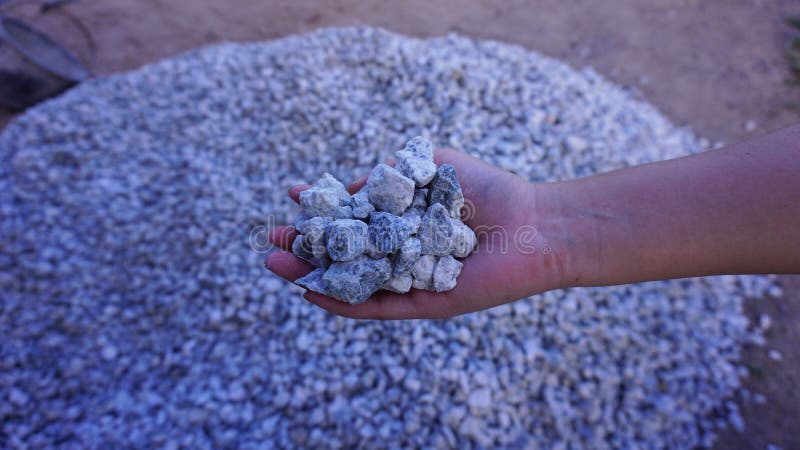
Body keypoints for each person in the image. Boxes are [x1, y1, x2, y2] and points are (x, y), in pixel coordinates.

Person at [265, 124, 800, 319]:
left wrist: (545, 225)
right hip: (401, 239)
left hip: (411, 241)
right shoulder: (399, 224)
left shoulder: (423, 224)